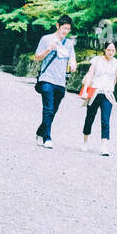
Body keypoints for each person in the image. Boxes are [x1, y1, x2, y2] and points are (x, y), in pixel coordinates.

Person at [33, 15, 76, 148]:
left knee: (53, 110)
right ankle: (47, 137)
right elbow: (37, 58)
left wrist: (73, 65)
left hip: (60, 82)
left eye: (68, 29)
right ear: (57, 26)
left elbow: (72, 59)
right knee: (48, 109)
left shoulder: (68, 44)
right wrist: (48, 49)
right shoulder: (46, 39)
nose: (65, 31)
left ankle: (40, 132)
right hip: (47, 79)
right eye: (64, 28)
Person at [80, 40, 117, 155]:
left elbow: (115, 78)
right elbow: (90, 74)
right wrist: (85, 90)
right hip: (95, 92)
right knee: (90, 118)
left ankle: (104, 146)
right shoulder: (96, 61)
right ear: (105, 50)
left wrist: (111, 88)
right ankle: (85, 140)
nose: (111, 52)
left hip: (107, 94)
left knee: (105, 120)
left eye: (113, 50)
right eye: (109, 50)